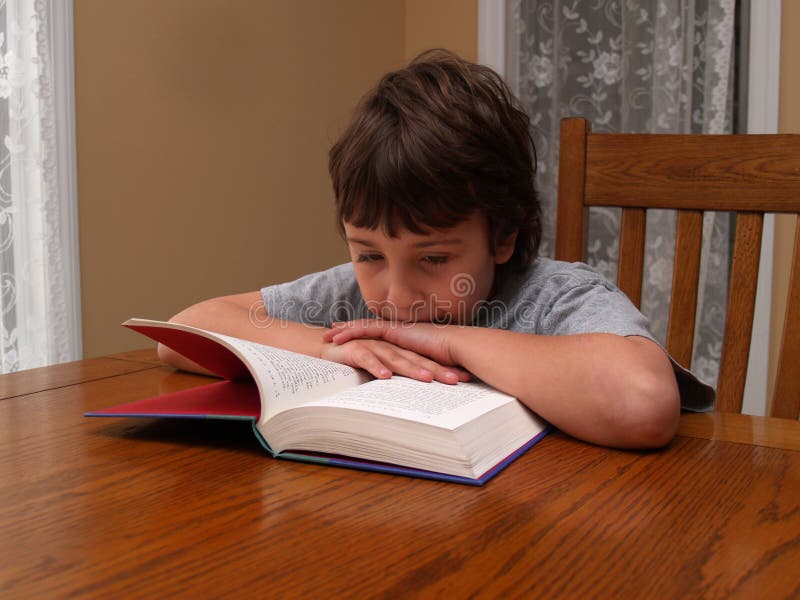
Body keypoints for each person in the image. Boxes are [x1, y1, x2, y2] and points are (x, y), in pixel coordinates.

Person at [159, 49, 712, 449]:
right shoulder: (350, 299)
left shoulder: (558, 297)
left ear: (503, 235)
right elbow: (181, 335)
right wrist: (326, 349)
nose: (397, 296)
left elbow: (642, 401)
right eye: (369, 254)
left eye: (434, 259)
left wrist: (446, 339)